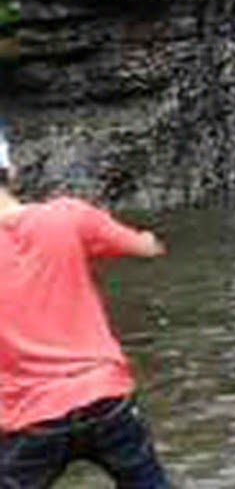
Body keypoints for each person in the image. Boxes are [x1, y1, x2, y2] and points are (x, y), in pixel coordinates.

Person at [0, 122, 172, 488]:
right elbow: (145, 247)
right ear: (10, 170)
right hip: (106, 396)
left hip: (31, 417)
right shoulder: (69, 216)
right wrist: (145, 239)